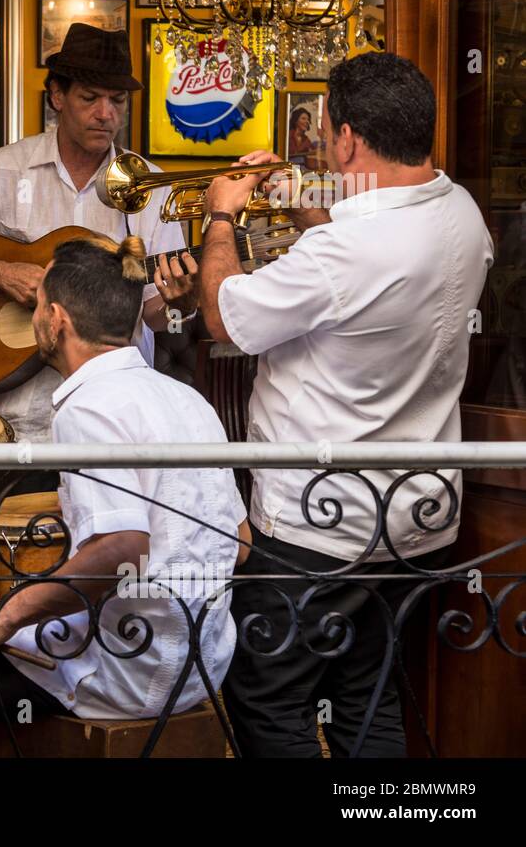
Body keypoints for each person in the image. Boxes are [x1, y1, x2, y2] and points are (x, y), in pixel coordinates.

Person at [196, 52, 494, 757]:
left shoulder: (344, 251)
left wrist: (219, 216)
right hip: (415, 522)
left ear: (351, 138)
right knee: (369, 699)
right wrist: (312, 215)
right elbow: (370, 272)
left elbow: (222, 315)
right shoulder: (463, 212)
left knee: (271, 700)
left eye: (330, 134)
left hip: (317, 528)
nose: (329, 145)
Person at [0, 236, 246, 756]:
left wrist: (6, 612)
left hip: (124, 669)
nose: (35, 316)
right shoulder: (186, 399)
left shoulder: (89, 407)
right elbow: (239, 542)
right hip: (202, 665)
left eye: (36, 305)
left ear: (56, 318)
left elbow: (124, 547)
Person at [0, 24, 197, 483]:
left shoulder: (151, 188)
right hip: (21, 430)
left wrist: (179, 301)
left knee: (116, 547)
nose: (106, 114)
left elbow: (156, 315)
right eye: (90, 98)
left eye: (117, 101)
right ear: (57, 96)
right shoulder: (5, 169)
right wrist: (0, 273)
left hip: (117, 429)